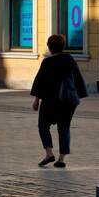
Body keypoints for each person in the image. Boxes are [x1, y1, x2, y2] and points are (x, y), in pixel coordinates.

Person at [31, 34, 88, 168]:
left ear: (49, 47)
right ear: (63, 46)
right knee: (64, 128)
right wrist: (78, 95)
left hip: (50, 100)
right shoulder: (69, 59)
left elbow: (40, 82)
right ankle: (61, 159)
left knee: (43, 125)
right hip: (68, 101)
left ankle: (49, 153)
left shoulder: (47, 62)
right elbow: (78, 79)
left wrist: (36, 100)